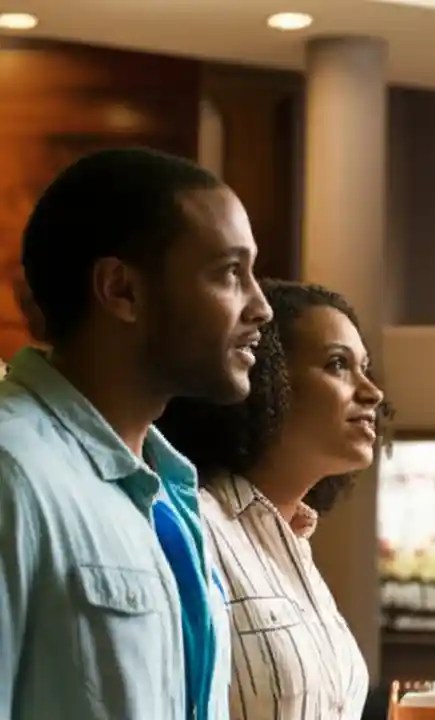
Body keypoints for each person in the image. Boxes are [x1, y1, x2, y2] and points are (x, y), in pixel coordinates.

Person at [0, 147, 272, 719]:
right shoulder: (12, 470)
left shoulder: (171, 495)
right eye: (229, 273)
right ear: (121, 290)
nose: (262, 306)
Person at [157, 279, 387, 720]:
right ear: (265, 379)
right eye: (338, 365)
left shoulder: (295, 542)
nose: (372, 392)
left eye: (366, 367)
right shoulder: (193, 529)